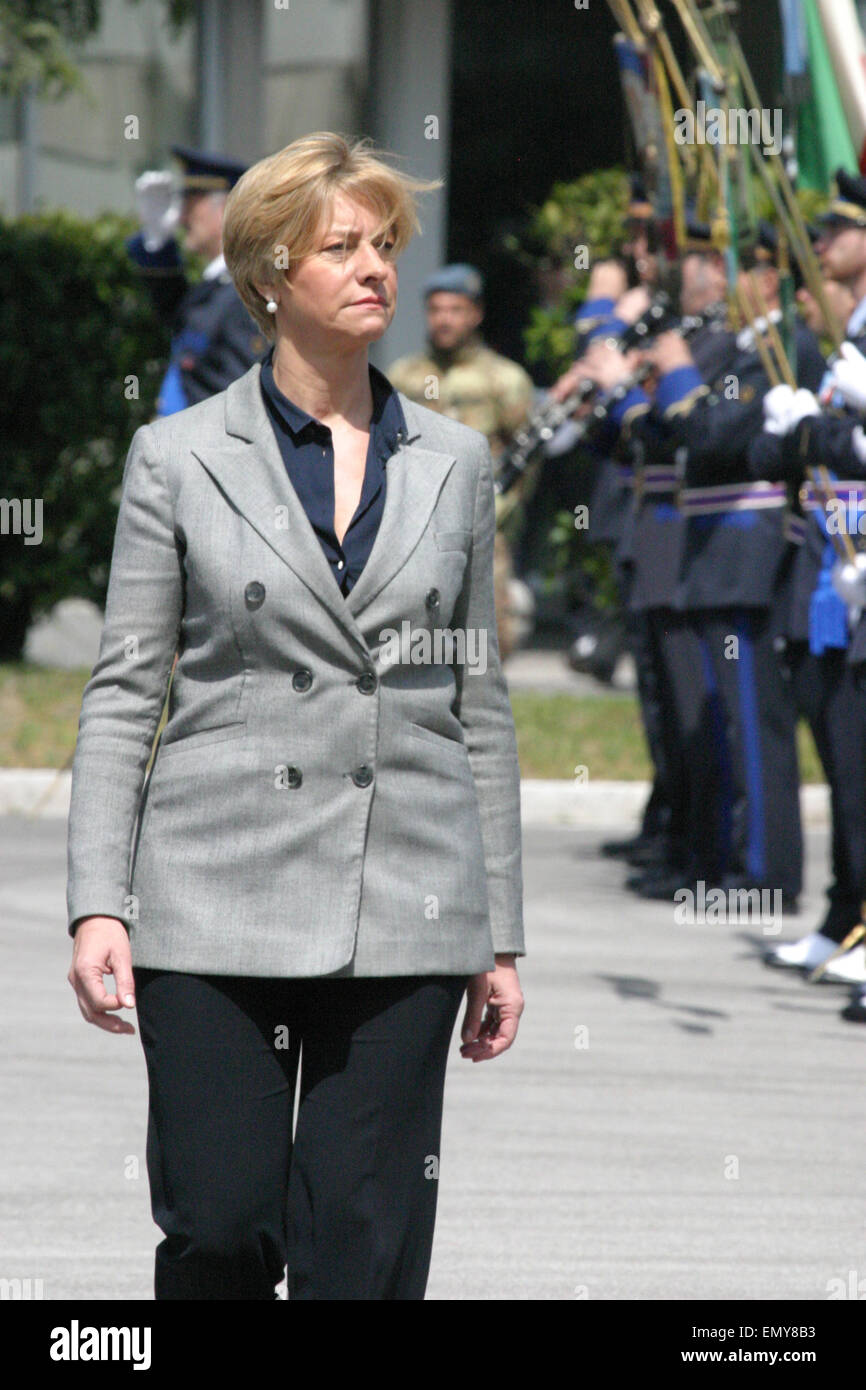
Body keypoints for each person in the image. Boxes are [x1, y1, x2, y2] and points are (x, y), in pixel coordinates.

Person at [66, 131, 526, 1299]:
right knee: (219, 1226)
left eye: (384, 245)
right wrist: (95, 905)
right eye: (341, 247)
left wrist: (499, 930)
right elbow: (126, 690)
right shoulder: (175, 457)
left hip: (406, 902)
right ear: (270, 273)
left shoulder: (457, 463)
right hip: (211, 898)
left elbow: (478, 699)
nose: (376, 268)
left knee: (361, 1252)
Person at [388, 263, 535, 659]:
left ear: (475, 314)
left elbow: (527, 453)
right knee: (418, 635)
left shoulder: (504, 378)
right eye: (436, 310)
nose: (444, 319)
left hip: (483, 528)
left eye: (454, 310)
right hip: (416, 529)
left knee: (487, 640)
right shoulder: (404, 376)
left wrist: (501, 509)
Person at [127, 144, 265, 416]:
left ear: (227, 209)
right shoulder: (217, 284)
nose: (181, 217)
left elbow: (243, 401)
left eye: (191, 204)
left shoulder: (244, 294)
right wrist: (158, 242)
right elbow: (174, 309)